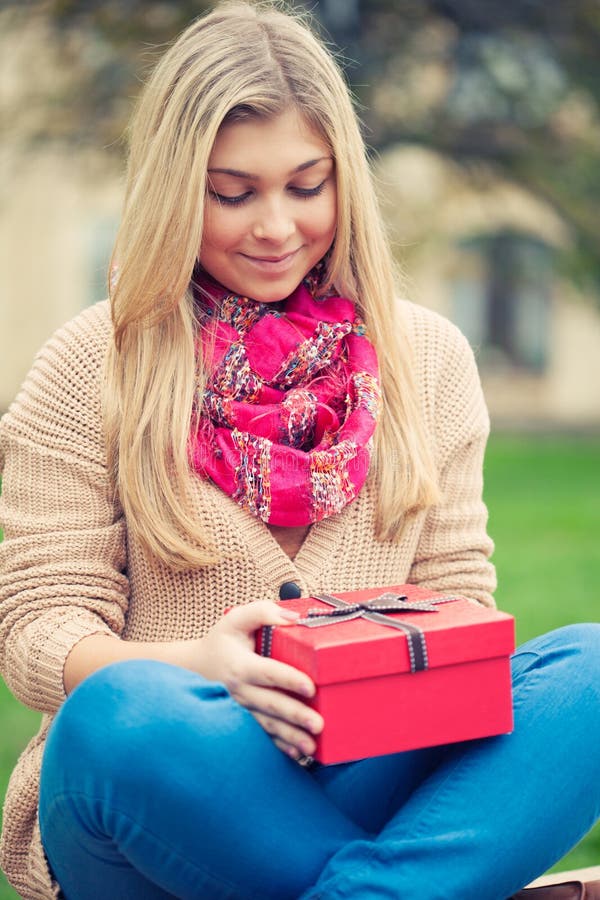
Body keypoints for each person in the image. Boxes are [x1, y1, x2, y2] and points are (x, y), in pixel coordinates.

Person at [0, 2, 599, 898]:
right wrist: (205, 664)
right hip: (168, 776)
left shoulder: (426, 356)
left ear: (344, 180)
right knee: (113, 716)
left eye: (306, 185)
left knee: (590, 670)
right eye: (233, 193)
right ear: (175, 188)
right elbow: (37, 632)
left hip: (373, 769)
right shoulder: (94, 363)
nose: (276, 227)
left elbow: (458, 600)